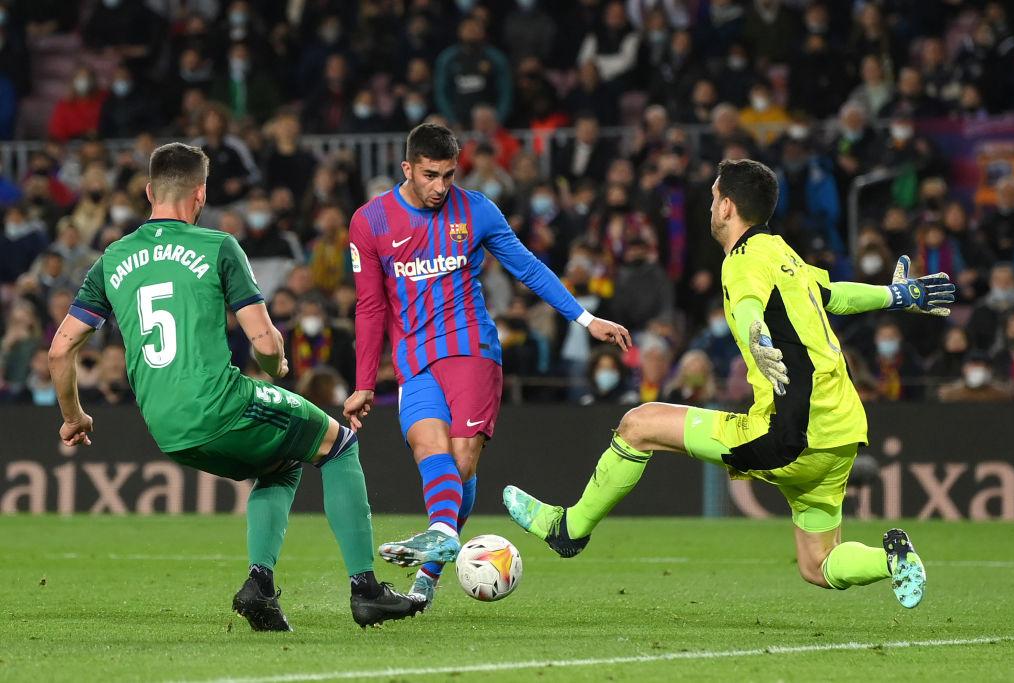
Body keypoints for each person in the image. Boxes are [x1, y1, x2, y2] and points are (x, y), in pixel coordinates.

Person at [504, 159, 957, 610]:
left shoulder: (741, 261)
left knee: (638, 425)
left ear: (727, 207)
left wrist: (757, 335)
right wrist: (898, 295)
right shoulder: (782, 253)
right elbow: (834, 295)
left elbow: (747, 305)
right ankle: (892, 560)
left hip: (787, 435)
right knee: (818, 565)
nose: (710, 207)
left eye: (713, 198)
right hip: (841, 431)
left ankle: (569, 530)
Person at [47, 143, 424, 631]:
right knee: (339, 445)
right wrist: (278, 362)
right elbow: (263, 341)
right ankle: (366, 591)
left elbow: (60, 351)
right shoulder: (217, 246)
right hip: (220, 405)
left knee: (281, 463)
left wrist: (74, 416)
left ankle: (260, 587)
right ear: (201, 194)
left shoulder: (112, 258)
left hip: (165, 427)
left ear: (149, 192)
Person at [344, 123, 631, 608]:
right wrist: (364, 382)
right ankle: (441, 538)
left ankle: (428, 572)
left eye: (448, 175)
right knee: (428, 447)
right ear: (407, 168)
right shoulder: (370, 221)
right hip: (414, 359)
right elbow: (370, 306)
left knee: (460, 462)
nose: (440, 187)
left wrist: (585, 319)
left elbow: (528, 267)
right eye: (430, 175)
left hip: (470, 349)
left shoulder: (477, 210)